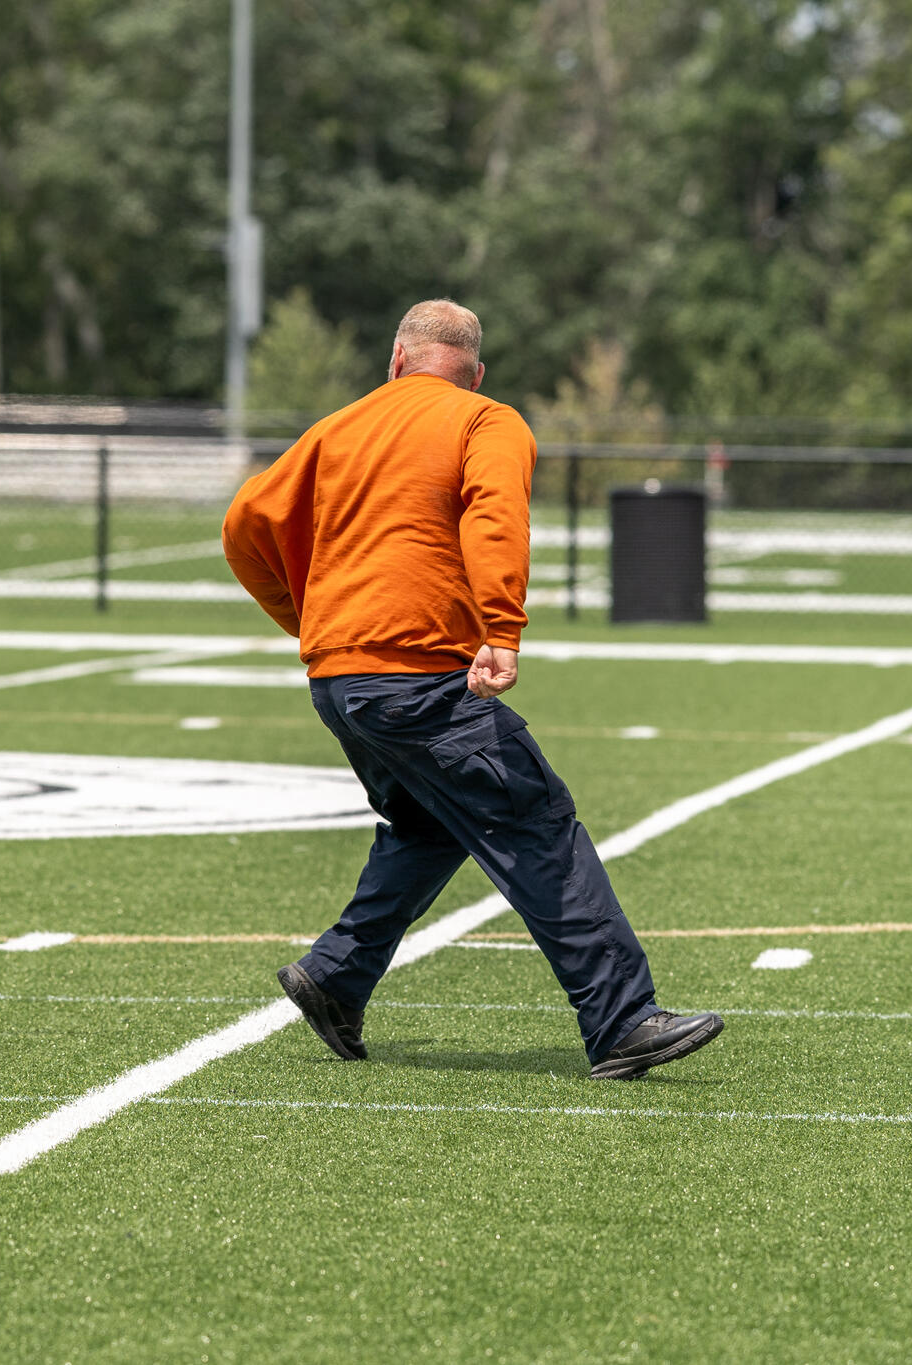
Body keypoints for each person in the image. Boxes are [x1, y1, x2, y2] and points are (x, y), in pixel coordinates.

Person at [220, 299, 722, 1081]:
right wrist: (501, 627)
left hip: (340, 677)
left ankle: (335, 977)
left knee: (428, 825)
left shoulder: (335, 428)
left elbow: (245, 522)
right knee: (537, 822)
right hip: (420, 672)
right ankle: (623, 1019)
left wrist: (307, 616)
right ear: (475, 373)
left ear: (396, 361)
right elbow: (494, 515)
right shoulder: (486, 421)